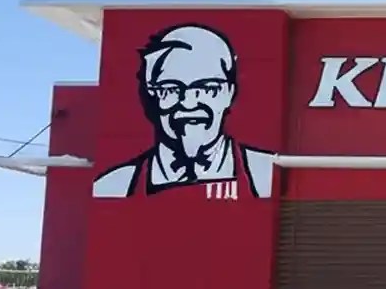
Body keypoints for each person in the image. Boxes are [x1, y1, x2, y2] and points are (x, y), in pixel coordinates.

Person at [93, 24, 274, 198]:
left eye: (207, 88)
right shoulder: (114, 187)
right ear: (152, 95)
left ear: (229, 93)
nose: (189, 103)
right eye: (171, 89)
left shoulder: (266, 175)